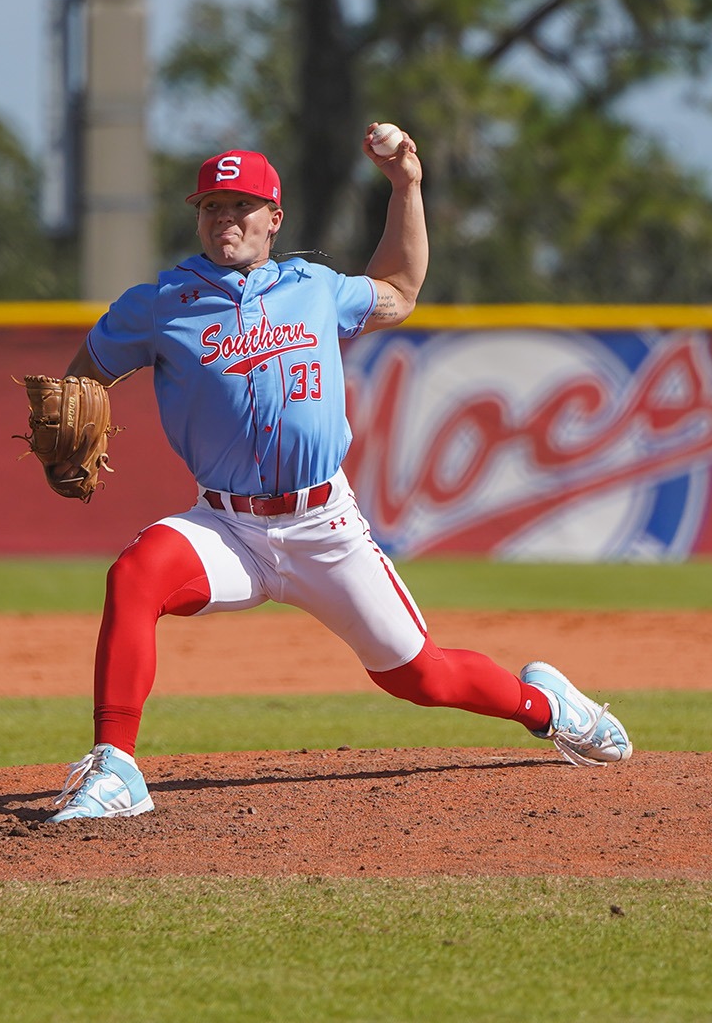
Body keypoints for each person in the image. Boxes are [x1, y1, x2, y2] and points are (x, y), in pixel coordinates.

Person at [45, 126, 631, 821]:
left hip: (325, 526)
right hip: (227, 525)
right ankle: (117, 768)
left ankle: (548, 707)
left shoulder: (314, 290)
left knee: (421, 676)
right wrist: (67, 435)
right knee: (136, 573)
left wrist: (407, 185)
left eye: (240, 206)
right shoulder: (158, 304)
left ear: (274, 219)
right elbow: (81, 383)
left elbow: (401, 290)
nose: (224, 218)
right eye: (211, 206)